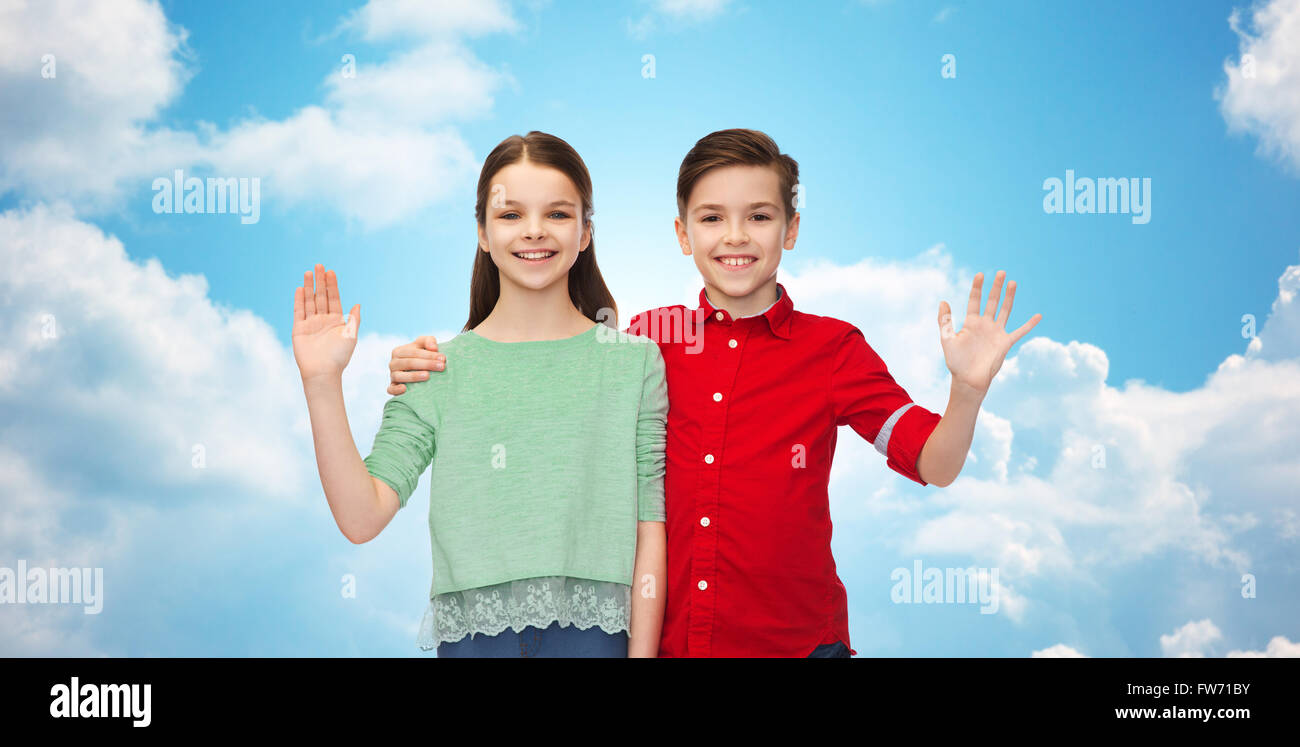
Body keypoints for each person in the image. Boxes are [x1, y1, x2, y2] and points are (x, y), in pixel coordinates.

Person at [385, 128, 1041, 657]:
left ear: (791, 229)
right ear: (682, 234)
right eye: (711, 217)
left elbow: (935, 461)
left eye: (758, 216)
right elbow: (544, 395)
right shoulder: (648, 342)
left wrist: (966, 392)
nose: (735, 236)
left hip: (799, 644)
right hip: (672, 644)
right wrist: (434, 365)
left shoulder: (833, 347)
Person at [293, 131, 668, 657]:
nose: (534, 231)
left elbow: (651, 529)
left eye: (558, 214)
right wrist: (321, 381)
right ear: (483, 233)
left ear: (586, 232)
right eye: (510, 215)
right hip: (473, 643)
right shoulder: (437, 370)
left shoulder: (635, 365)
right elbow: (361, 518)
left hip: (597, 640)